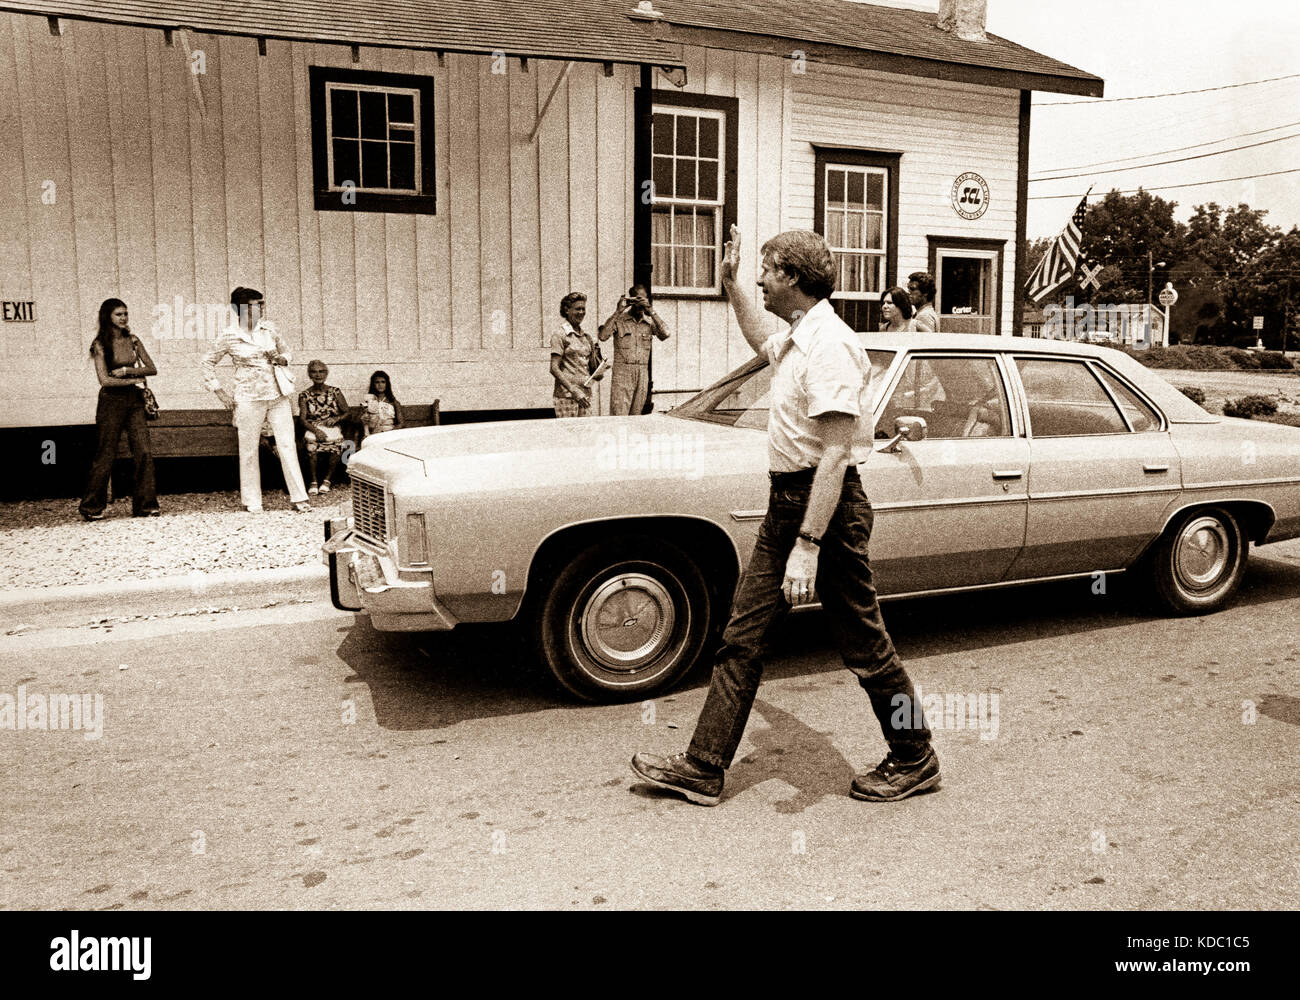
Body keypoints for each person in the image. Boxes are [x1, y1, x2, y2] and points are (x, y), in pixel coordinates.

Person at [632, 227, 938, 806]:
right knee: (742, 636)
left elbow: (836, 453)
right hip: (788, 504)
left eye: (767, 269)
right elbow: (758, 339)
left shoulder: (832, 347)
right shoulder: (800, 337)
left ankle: (914, 754)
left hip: (827, 509)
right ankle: (703, 766)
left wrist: (809, 544)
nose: (760, 277)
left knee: (864, 644)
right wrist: (729, 286)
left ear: (794, 277)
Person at [201, 286, 311, 513]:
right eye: (256, 304)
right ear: (241, 309)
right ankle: (252, 500)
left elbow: (288, 353)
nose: (261, 308)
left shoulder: (269, 329)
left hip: (277, 394)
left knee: (287, 445)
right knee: (249, 449)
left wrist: (282, 359)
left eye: (262, 304)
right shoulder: (229, 335)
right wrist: (220, 392)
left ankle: (299, 497)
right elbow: (207, 363)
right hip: (248, 397)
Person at [78, 298, 160, 520]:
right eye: (118, 314)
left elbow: (152, 369)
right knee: (106, 453)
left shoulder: (133, 340)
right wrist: (134, 379)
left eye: (125, 313)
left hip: (134, 401)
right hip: (111, 402)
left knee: (143, 450)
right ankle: (91, 507)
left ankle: (146, 505)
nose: (124, 318)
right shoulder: (100, 344)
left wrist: (126, 371)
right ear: (108, 317)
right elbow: (104, 380)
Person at [598, 282, 669, 416]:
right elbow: (603, 336)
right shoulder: (620, 320)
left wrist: (651, 311)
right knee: (619, 414)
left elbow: (666, 333)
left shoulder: (649, 321)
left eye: (643, 299)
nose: (639, 303)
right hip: (623, 372)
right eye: (636, 299)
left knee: (636, 416)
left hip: (642, 372)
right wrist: (618, 311)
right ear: (630, 300)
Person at [550, 292, 604, 417]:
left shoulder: (586, 337)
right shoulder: (560, 334)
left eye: (583, 309)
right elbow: (554, 368)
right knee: (569, 434)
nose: (581, 312)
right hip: (567, 396)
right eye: (577, 309)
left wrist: (598, 372)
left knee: (586, 433)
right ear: (567, 310)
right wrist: (573, 390)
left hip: (585, 395)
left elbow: (590, 367)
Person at [300, 360, 350, 494]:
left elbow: (347, 412)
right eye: (314, 372)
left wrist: (336, 418)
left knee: (337, 444)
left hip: (332, 426)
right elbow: (302, 419)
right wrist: (316, 431)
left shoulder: (335, 392)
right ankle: (314, 481)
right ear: (309, 375)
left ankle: (327, 480)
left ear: (326, 373)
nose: (318, 375)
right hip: (313, 427)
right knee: (311, 446)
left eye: (321, 371)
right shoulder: (304, 395)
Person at [360, 370, 403, 438]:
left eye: (383, 382)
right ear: (373, 384)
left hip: (389, 433)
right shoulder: (368, 401)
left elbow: (401, 423)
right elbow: (360, 420)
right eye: (377, 382)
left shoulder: (394, 402)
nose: (380, 385)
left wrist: (391, 433)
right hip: (373, 433)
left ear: (387, 384)